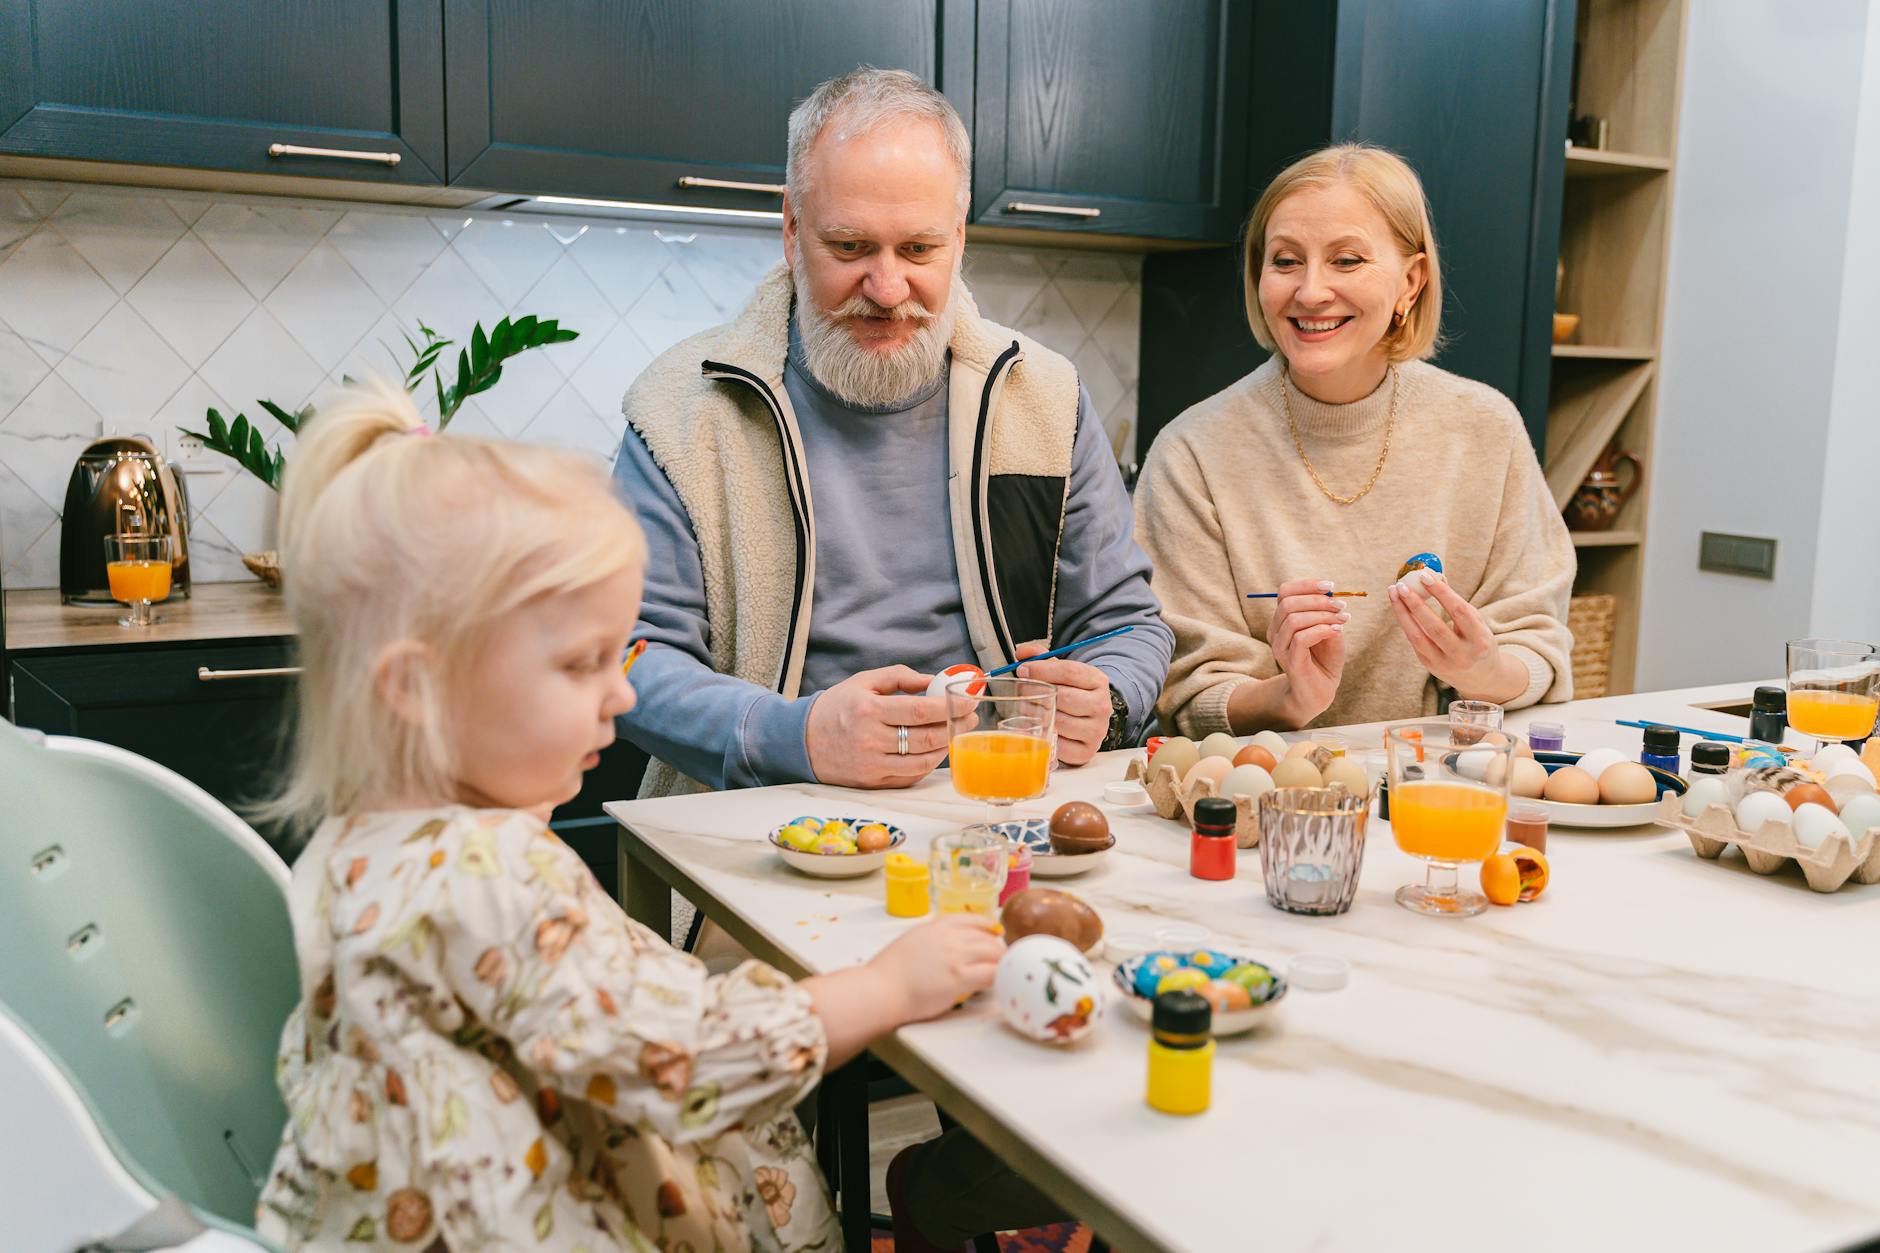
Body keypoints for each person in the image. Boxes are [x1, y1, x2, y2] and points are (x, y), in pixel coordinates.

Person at [251, 378, 1008, 1250]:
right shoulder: (494, 871)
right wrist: (885, 986)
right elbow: (686, 1058)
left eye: (623, 656)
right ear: (416, 687)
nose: (620, 694)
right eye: (581, 664)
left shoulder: (354, 842)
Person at [613, 67, 1172, 798]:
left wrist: (1110, 695)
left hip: (1002, 813)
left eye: (918, 250)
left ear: (961, 236)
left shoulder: (1045, 395)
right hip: (761, 820)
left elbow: (1130, 623)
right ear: (789, 228)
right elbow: (629, 655)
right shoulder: (680, 410)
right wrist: (796, 735)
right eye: (849, 247)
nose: (886, 289)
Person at [1134, 143, 1575, 734]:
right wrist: (1289, 697)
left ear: (1411, 283)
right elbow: (1186, 693)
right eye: (1285, 260)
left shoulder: (1484, 430)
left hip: (1434, 787)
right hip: (1262, 797)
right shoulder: (1192, 454)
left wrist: (1484, 668)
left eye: (1346, 260)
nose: (1311, 292)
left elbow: (1537, 646)